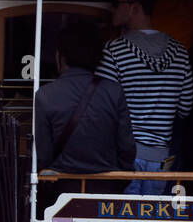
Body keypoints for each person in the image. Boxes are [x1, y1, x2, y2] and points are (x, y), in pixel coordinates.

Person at [96, 0, 193, 194]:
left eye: (115, 3)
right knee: (154, 220)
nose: (111, 8)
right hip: (162, 158)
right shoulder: (179, 52)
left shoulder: (114, 51)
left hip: (124, 156)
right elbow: (185, 108)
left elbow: (102, 107)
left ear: (134, 7)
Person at [36, 22, 136, 201]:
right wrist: (119, 178)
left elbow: (44, 155)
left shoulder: (45, 95)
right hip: (107, 189)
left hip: (62, 192)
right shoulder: (114, 91)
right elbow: (127, 147)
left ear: (61, 56)